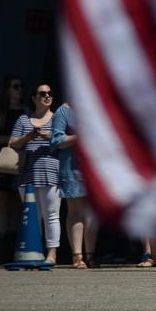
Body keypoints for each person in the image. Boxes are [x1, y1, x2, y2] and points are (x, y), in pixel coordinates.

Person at [8, 81, 60, 265]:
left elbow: (65, 141)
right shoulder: (23, 120)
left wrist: (50, 136)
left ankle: (51, 255)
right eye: (42, 93)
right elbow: (13, 144)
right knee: (32, 216)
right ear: (34, 98)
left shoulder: (58, 119)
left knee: (51, 214)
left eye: (50, 93)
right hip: (27, 174)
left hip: (51, 172)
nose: (47, 96)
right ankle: (35, 253)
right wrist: (28, 137)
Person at [50, 101, 99, 268]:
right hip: (71, 168)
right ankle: (77, 256)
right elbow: (56, 139)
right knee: (76, 211)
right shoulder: (64, 111)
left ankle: (91, 255)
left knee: (93, 213)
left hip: (94, 168)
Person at [0, 75, 26, 260]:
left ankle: (13, 243)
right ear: (7, 89)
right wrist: (16, 140)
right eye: (15, 86)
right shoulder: (0, 111)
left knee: (17, 202)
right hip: (5, 159)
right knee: (3, 201)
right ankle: (2, 246)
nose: (19, 90)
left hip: (20, 160)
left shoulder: (26, 111)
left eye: (21, 86)